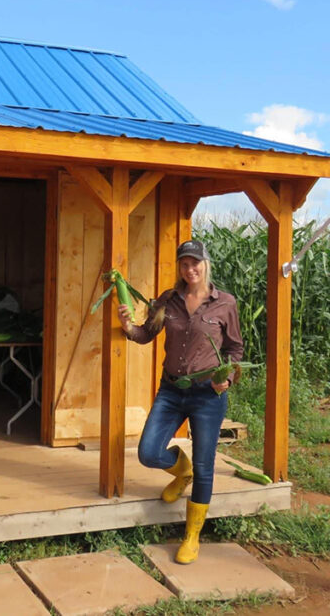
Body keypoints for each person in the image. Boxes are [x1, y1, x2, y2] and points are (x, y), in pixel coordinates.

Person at [118, 239, 243, 565]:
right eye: (185, 264)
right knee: (148, 452)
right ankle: (181, 470)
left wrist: (227, 378)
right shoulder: (167, 301)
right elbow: (147, 334)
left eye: (195, 263)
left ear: (206, 263)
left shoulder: (224, 303)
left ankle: (191, 535)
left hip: (207, 395)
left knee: (206, 467)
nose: (191, 269)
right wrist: (127, 326)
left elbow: (235, 349)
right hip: (171, 391)